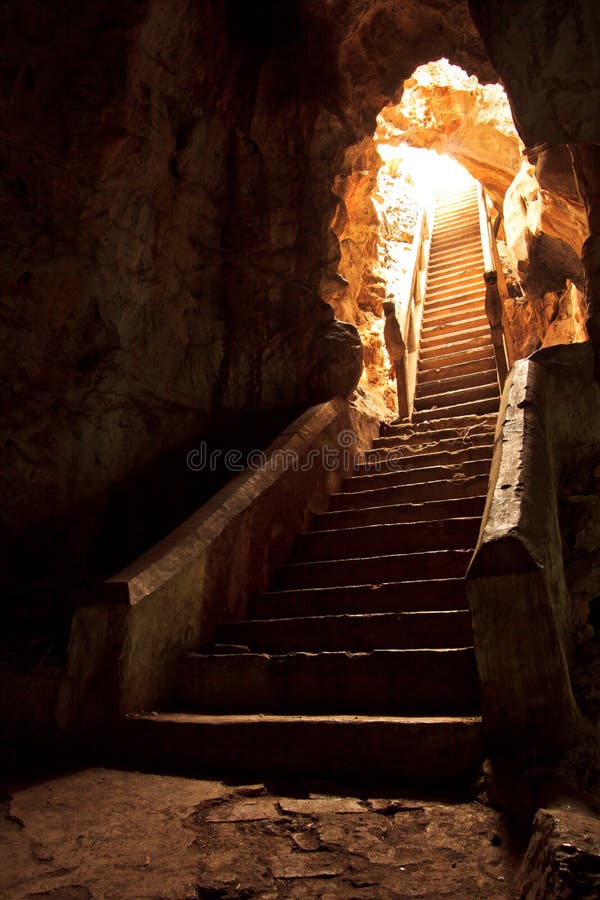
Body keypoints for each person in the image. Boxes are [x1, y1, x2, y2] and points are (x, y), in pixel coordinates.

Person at [382, 300, 407, 420]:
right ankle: (404, 411)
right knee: (401, 373)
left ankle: (404, 411)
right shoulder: (390, 323)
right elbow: (392, 340)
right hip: (397, 353)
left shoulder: (390, 322)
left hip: (396, 352)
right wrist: (400, 349)